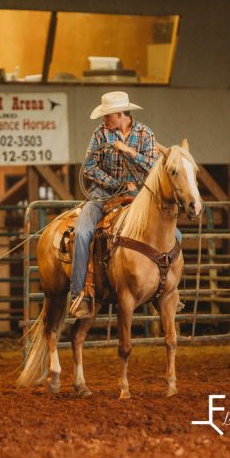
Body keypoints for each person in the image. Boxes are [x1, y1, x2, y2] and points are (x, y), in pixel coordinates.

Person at [69, 91, 160, 318]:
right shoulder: (100, 134)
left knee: (174, 235)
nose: (104, 120)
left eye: (107, 115)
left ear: (120, 115)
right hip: (103, 193)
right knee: (82, 232)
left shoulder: (145, 134)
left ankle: (166, 290)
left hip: (140, 195)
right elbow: (89, 167)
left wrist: (129, 151)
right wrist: (117, 183)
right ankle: (79, 294)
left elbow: (154, 167)